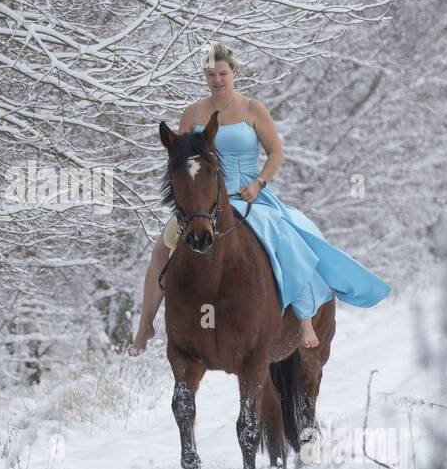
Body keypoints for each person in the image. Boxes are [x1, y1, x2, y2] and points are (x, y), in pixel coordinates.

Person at [127, 43, 390, 356]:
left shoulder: (253, 109)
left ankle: (305, 316)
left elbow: (276, 153)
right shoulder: (193, 113)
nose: (217, 80)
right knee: (162, 248)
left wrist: (259, 183)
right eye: (210, 74)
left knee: (287, 237)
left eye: (222, 73)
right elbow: (182, 159)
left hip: (247, 196)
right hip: (203, 203)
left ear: (234, 73)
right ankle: (146, 325)